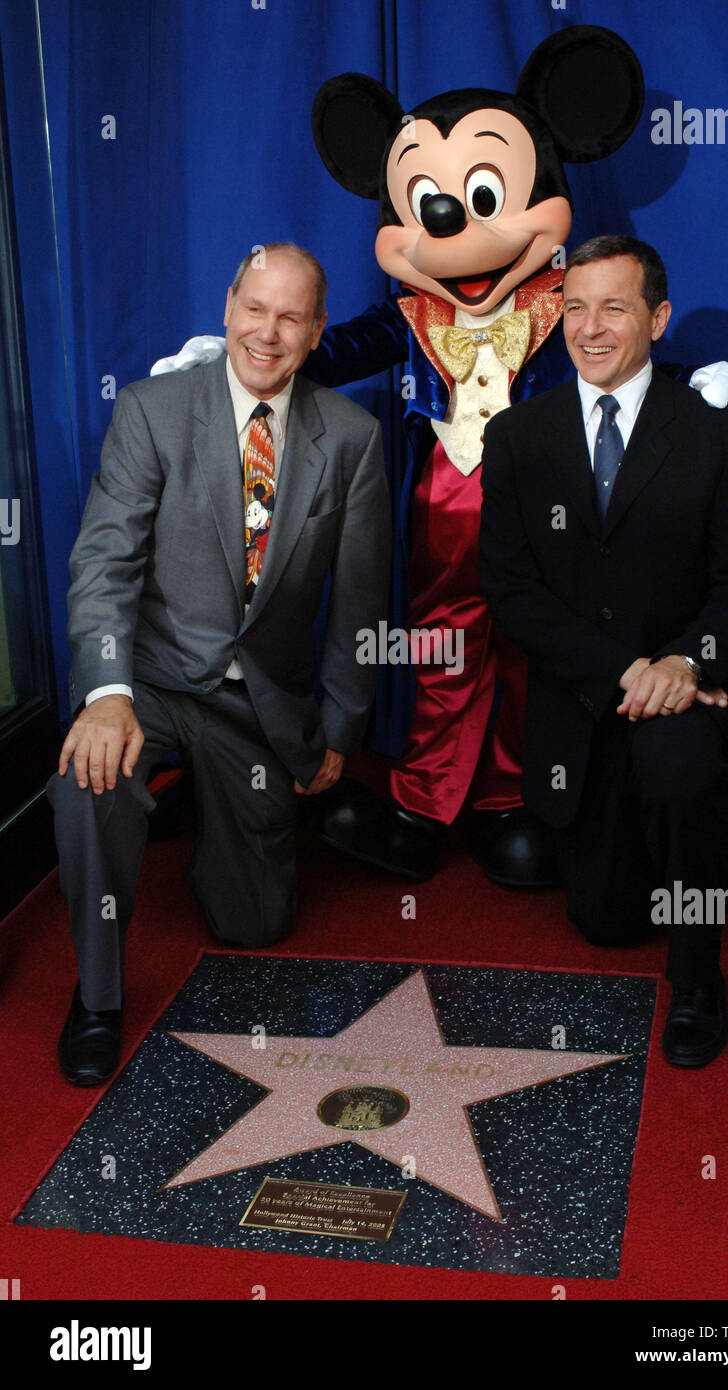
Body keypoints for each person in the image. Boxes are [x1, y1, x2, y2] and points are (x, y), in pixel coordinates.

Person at [49, 242, 391, 1086]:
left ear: (316, 332)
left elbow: (358, 603)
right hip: (154, 683)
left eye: (290, 318)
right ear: (228, 304)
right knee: (89, 777)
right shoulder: (152, 410)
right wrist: (105, 692)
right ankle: (96, 992)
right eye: (254, 309)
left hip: (258, 705)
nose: (267, 334)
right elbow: (104, 564)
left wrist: (339, 731)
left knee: (256, 926)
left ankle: (215, 816)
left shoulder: (352, 439)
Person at [479, 235, 728, 1067]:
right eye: (575, 307)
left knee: (678, 771)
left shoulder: (719, 436)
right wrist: (623, 671)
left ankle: (699, 980)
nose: (590, 327)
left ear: (659, 316)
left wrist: (686, 665)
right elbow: (511, 593)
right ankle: (697, 832)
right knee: (606, 923)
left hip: (686, 694)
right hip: (584, 701)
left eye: (614, 306)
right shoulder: (518, 438)